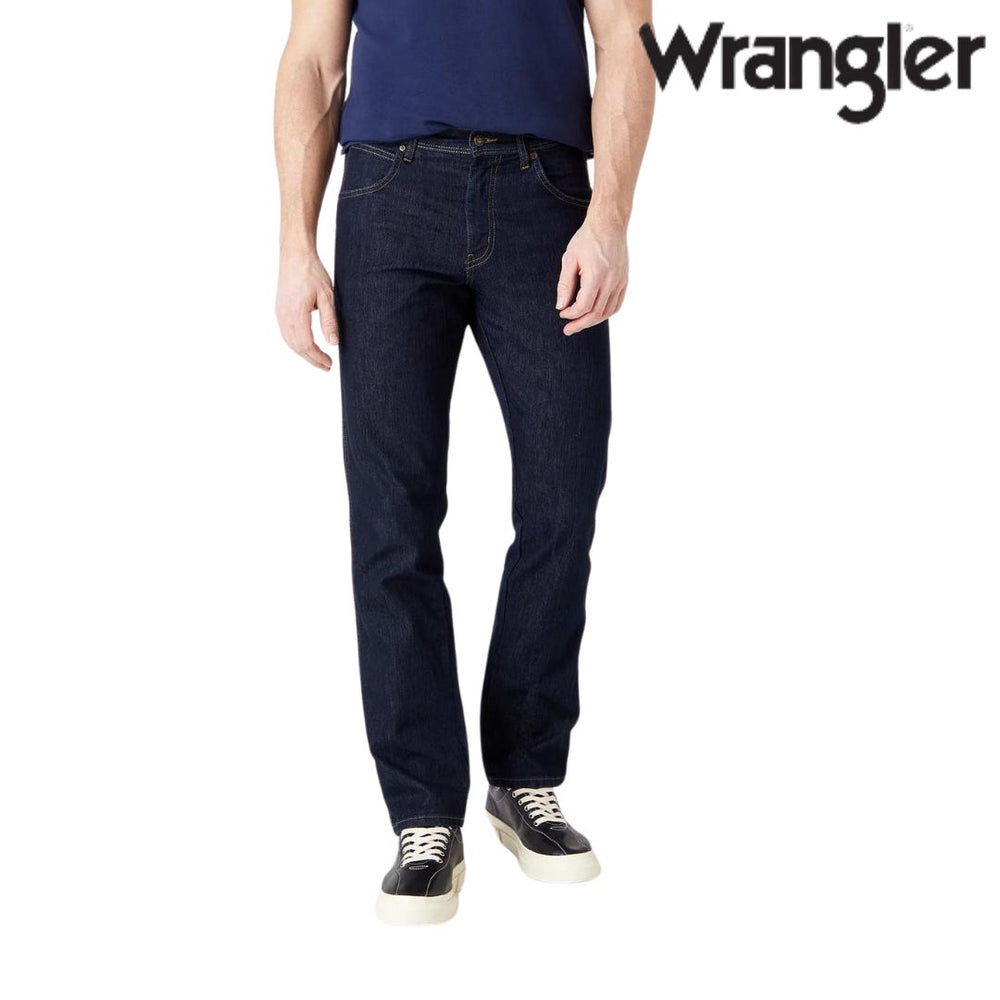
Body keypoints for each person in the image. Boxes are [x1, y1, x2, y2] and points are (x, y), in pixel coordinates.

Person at [274, 0, 654, 924]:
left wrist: (610, 218)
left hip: (546, 193)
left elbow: (626, 40)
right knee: (392, 521)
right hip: (386, 195)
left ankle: (524, 778)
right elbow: (314, 61)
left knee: (563, 496)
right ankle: (424, 814)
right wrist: (294, 243)